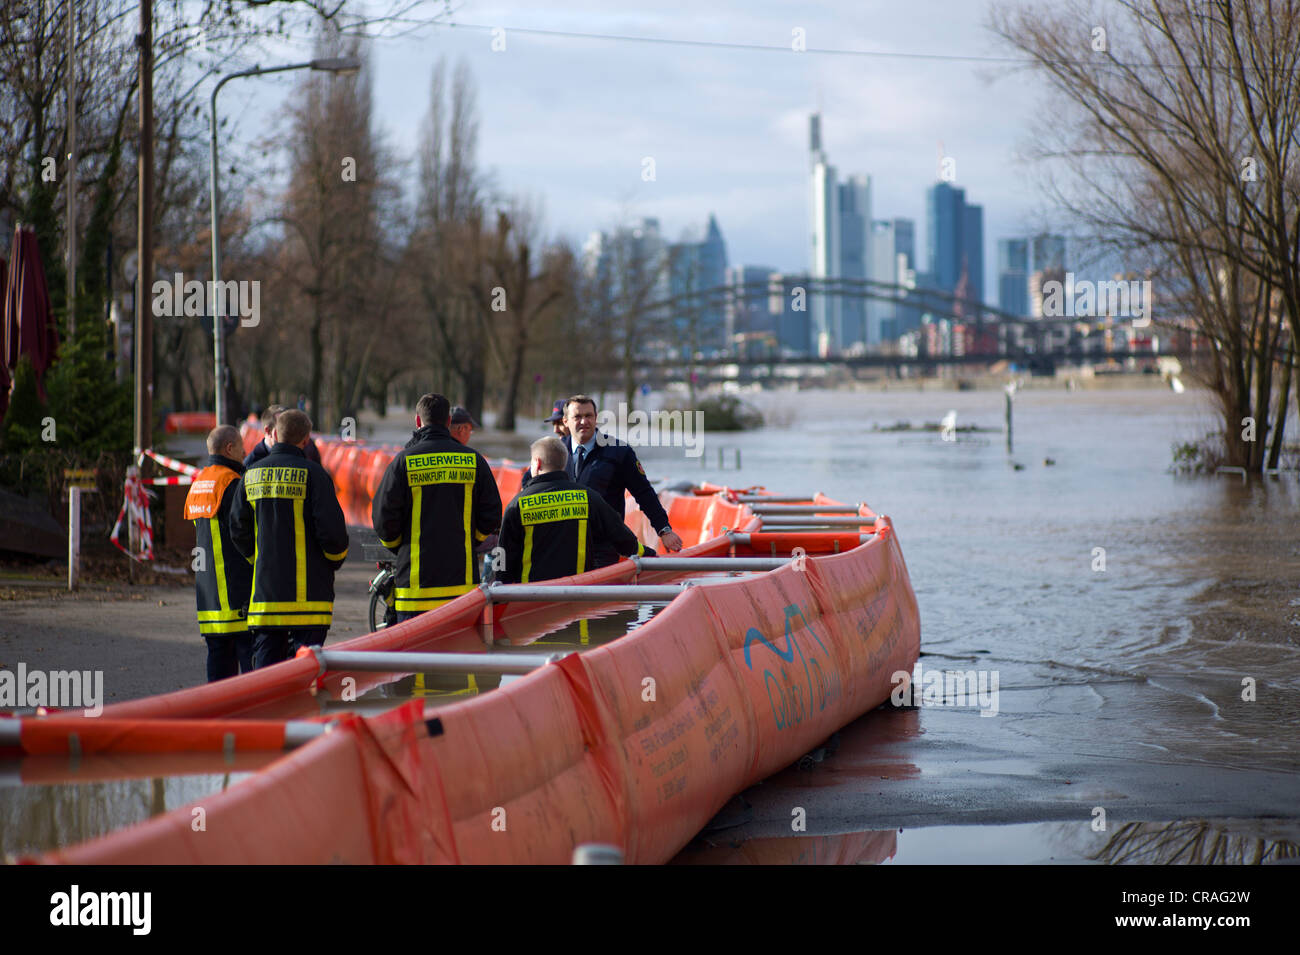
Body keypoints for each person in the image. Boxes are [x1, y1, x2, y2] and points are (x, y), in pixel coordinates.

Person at [229, 409, 349, 668]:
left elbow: (237, 528)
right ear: (306, 440)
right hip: (310, 601)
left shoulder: (250, 474)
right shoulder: (316, 475)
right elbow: (334, 534)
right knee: (307, 674)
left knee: (266, 677)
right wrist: (332, 562)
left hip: (266, 600)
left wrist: (257, 559)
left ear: (275, 434)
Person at [372, 393, 502, 621]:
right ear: (449, 422)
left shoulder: (403, 462)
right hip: (461, 590)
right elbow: (492, 514)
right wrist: (472, 541)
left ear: (418, 422)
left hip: (414, 590)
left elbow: (384, 518)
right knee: (457, 654)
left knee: (415, 656)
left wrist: (399, 548)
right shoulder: (474, 461)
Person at [499, 436, 653, 583]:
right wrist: (648, 554)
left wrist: (497, 587)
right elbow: (621, 536)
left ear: (537, 463)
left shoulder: (518, 504)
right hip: (578, 594)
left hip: (530, 598)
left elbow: (503, 556)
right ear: (564, 463)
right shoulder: (588, 497)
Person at [562, 394, 683, 563]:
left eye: (588, 416)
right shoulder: (553, 452)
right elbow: (531, 487)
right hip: (562, 545)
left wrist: (664, 530)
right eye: (577, 417)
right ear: (565, 421)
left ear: (596, 418)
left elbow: (644, 493)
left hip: (602, 548)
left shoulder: (618, 452)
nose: (584, 421)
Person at [184, 425, 253, 681]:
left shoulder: (198, 483)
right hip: (236, 592)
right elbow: (242, 531)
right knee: (249, 666)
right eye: (241, 447)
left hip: (208, 597)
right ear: (229, 448)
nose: (245, 452)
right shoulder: (232, 483)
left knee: (218, 667)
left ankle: (217, 718)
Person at [245, 403, 321, 466]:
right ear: (268, 431)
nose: (290, 433)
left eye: (291, 427)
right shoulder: (252, 463)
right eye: (282, 428)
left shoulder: (307, 447)